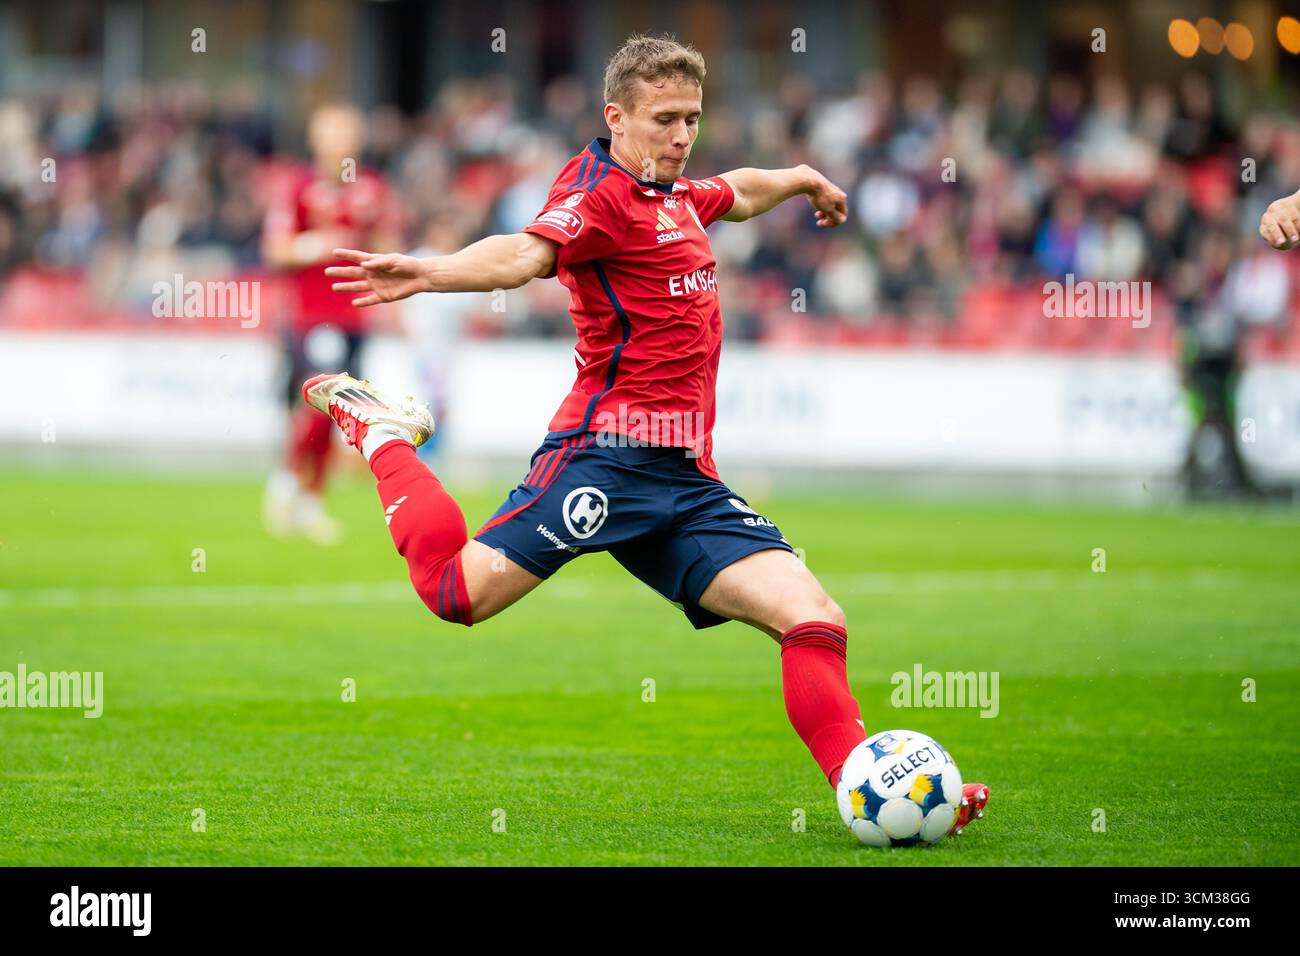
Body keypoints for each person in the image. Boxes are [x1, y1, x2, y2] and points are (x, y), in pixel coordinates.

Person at [309, 35, 988, 835]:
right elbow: (525, 254)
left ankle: (862, 791)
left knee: (814, 618)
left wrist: (803, 177)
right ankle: (384, 435)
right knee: (456, 595)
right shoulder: (595, 192)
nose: (682, 134)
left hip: (686, 482)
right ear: (617, 117)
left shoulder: (673, 194)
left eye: (692, 118)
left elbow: (736, 190)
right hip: (605, 460)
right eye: (664, 119)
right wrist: (429, 271)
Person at [261, 103, 403, 543]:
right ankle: (285, 488)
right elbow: (276, 250)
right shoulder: (299, 188)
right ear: (314, 139)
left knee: (337, 410)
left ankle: (310, 502)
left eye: (346, 132)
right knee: (319, 401)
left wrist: (395, 295)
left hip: (356, 315)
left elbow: (387, 243)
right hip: (312, 314)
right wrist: (319, 244)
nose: (340, 141)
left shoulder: (372, 188)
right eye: (331, 132)